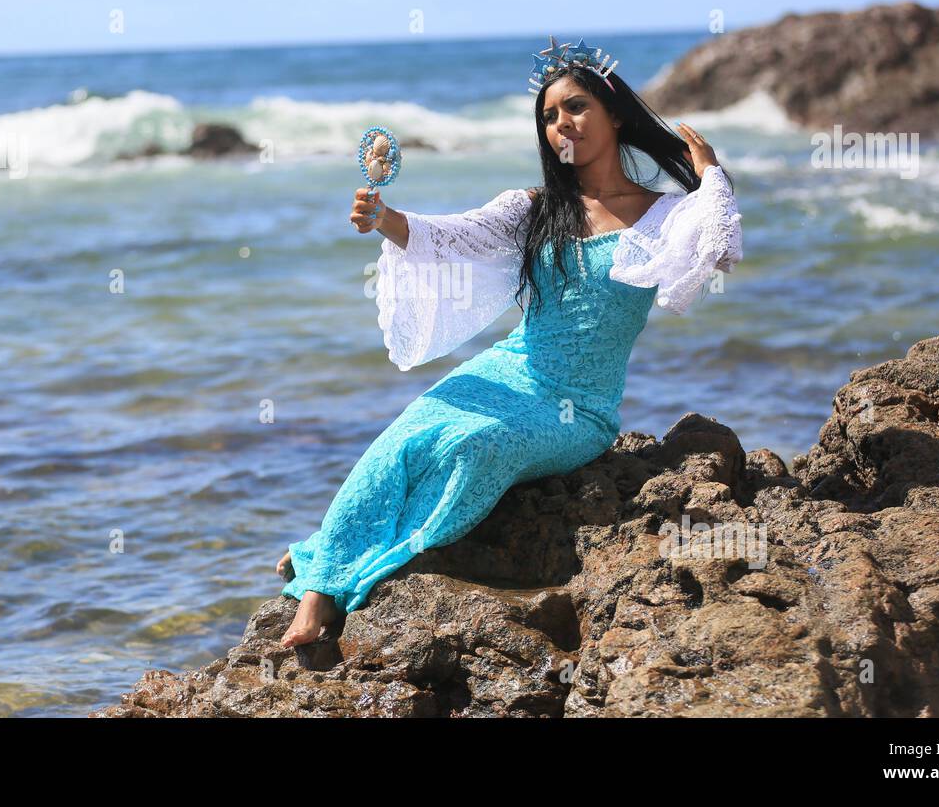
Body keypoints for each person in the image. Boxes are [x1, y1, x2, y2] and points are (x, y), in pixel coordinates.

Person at [276, 36, 744, 648]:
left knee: (476, 446)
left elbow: (722, 247)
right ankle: (316, 592)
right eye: (549, 117)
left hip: (580, 407)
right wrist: (384, 218)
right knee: (403, 441)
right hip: (507, 369)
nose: (561, 125)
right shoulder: (535, 208)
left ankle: (356, 568)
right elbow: (453, 236)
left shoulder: (663, 215)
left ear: (616, 115)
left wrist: (710, 174)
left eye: (575, 108)